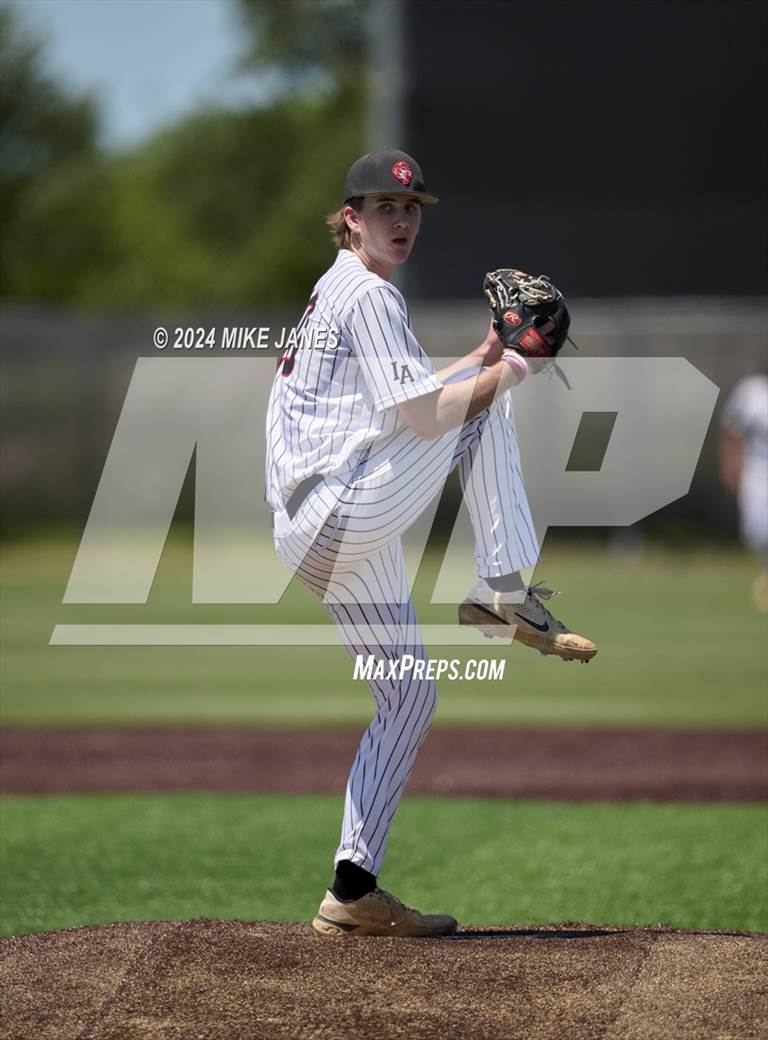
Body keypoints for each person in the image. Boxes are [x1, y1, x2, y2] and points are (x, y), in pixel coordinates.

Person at [265, 149, 596, 938]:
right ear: (350, 218)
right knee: (487, 409)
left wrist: (486, 356)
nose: (402, 219)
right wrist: (516, 365)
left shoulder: (336, 291)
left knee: (409, 694)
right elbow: (426, 421)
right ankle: (503, 593)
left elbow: (402, 410)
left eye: (411, 208)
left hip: (316, 524)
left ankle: (352, 890)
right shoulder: (371, 294)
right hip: (343, 509)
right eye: (383, 207)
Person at [719, 373, 768, 612]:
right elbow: (731, 429)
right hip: (758, 474)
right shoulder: (752, 392)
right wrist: (731, 465)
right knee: (756, 531)